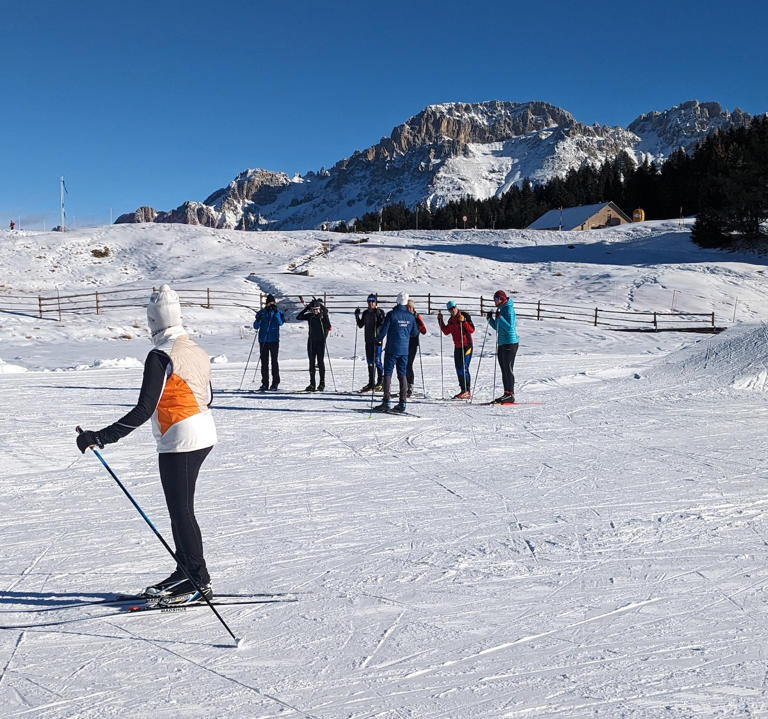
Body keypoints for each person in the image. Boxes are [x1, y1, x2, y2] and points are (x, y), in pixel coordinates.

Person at [75, 285, 217, 604]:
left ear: (153, 319)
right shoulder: (194, 347)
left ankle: (197, 578)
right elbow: (208, 397)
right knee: (181, 510)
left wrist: (100, 437)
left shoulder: (160, 354)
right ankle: (186, 571)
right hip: (204, 432)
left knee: (181, 511)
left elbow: (144, 409)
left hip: (180, 439)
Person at [374, 291, 419, 413]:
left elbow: (383, 332)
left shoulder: (392, 314)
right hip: (404, 350)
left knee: (388, 373)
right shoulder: (410, 316)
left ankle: (386, 400)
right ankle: (402, 402)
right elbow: (415, 333)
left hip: (392, 349)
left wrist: (377, 339)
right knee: (402, 374)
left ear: (397, 300)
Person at [487, 289, 519, 404]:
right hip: (502, 343)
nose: (494, 302)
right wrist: (490, 319)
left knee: (508, 368)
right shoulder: (501, 309)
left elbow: (510, 327)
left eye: (495, 299)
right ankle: (506, 393)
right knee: (503, 369)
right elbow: (498, 327)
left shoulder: (508, 309)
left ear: (501, 299)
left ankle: (510, 394)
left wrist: (500, 318)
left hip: (510, 342)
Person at [438, 300, 475, 399]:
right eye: (450, 309)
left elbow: (472, 330)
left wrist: (464, 321)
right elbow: (446, 331)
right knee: (458, 369)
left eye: (453, 308)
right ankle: (463, 390)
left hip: (467, 345)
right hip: (458, 346)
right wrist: (440, 321)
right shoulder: (451, 320)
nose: (452, 310)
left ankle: (467, 391)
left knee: (464, 367)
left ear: (456, 307)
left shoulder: (464, 315)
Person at [296, 297, 331, 391]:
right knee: (311, 363)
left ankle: (322, 383)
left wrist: (322, 310)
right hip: (311, 342)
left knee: (320, 362)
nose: (315, 311)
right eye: (313, 309)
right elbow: (298, 317)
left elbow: (328, 326)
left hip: (320, 342)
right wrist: (307, 308)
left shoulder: (323, 316)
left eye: (317, 309)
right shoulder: (310, 316)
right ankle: (312, 384)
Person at [354, 293, 385, 392]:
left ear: (376, 303)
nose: (371, 303)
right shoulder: (366, 313)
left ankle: (380, 382)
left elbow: (383, 325)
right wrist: (357, 316)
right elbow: (360, 325)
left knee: (377, 361)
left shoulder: (380, 312)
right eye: (369, 301)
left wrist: (379, 319)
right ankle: (371, 382)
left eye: (373, 301)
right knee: (370, 362)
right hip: (368, 340)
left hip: (377, 341)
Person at [253, 294, 284, 391]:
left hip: (274, 340)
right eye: (269, 303)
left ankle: (275, 383)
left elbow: (280, 323)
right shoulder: (261, 312)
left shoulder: (278, 312)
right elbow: (255, 326)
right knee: (264, 363)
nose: (271, 305)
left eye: (273, 303)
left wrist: (276, 313)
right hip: (263, 340)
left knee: (274, 362)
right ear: (266, 304)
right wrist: (258, 320)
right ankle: (265, 383)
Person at [405, 298, 427, 397]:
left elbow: (424, 331)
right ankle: (404, 385)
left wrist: (419, 325)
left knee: (409, 364)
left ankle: (410, 385)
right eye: (407, 307)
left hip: (413, 343)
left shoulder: (417, 316)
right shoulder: (404, 316)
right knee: (403, 364)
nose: (409, 308)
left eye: (410, 307)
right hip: (404, 342)